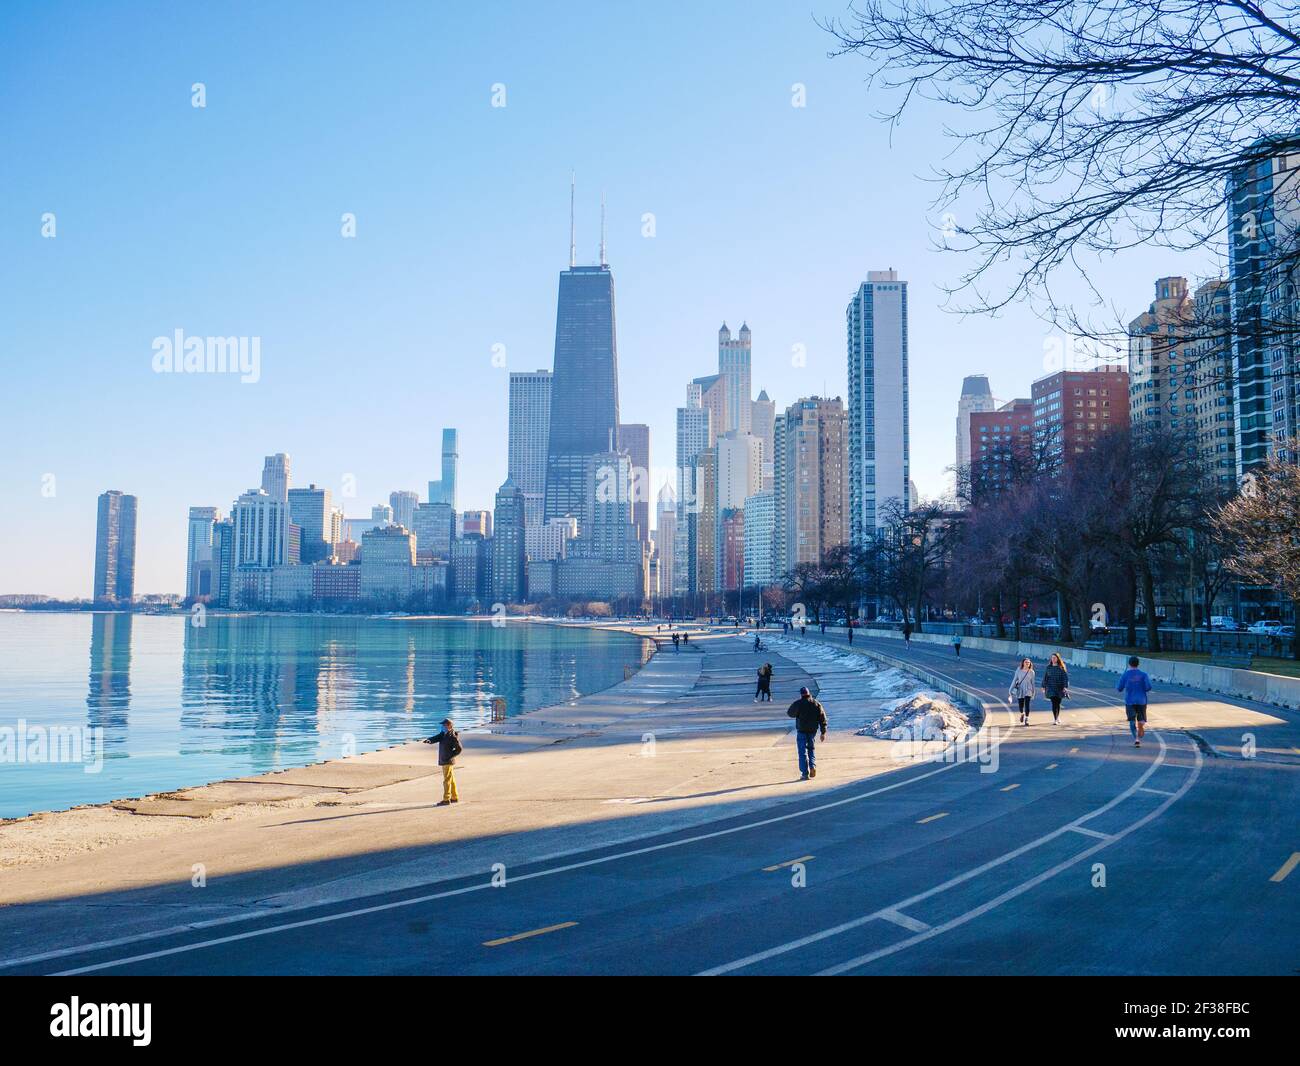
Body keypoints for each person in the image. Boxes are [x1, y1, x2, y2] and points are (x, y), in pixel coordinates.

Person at [786, 686, 827, 780]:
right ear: (809, 693)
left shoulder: (798, 703)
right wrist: (823, 732)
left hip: (802, 730)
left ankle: (804, 773)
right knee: (811, 749)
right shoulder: (816, 703)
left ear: (801, 694)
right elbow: (822, 718)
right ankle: (812, 766)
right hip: (812, 731)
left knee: (802, 751)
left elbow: (790, 713)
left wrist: (798, 712)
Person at [423, 717, 463, 805]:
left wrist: (450, 756)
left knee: (446, 780)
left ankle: (446, 799)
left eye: (444, 725)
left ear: (449, 726)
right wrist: (429, 740)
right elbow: (437, 737)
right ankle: (454, 797)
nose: (442, 727)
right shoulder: (444, 734)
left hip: (447, 761)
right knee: (451, 779)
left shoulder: (452, 736)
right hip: (445, 760)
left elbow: (459, 749)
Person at [1116, 655, 1152, 747]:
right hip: (1141, 700)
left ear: (1129, 664)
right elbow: (1148, 687)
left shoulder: (1125, 675)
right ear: (1138, 664)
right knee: (1141, 718)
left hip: (1130, 701)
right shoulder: (1144, 675)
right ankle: (1141, 724)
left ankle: (1136, 739)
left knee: (1132, 720)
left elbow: (1119, 688)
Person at [1042, 653, 1070, 725]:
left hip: (1059, 688)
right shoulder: (1048, 667)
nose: (1053, 659)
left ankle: (1057, 717)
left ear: (1058, 658)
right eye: (1052, 658)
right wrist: (1043, 686)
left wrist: (1065, 687)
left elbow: (1065, 678)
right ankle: (1055, 719)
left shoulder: (1061, 667)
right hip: (1051, 687)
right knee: (1054, 703)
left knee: (1058, 703)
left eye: (1055, 658)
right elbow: (1045, 677)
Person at [1008, 657, 1035, 725]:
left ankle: (1027, 718)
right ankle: (1022, 714)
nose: (1027, 664)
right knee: (1021, 705)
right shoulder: (1018, 670)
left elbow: (1033, 683)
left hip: (1028, 689)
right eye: (1026, 662)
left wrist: (1033, 692)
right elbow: (1014, 680)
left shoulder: (1032, 672)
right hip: (1020, 689)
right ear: (1023, 663)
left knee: (1027, 704)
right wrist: (1010, 689)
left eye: (1028, 662)